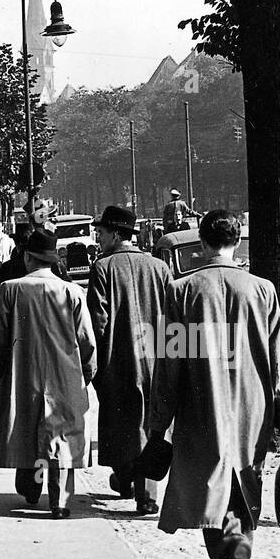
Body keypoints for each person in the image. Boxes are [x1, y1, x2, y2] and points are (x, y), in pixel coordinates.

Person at [145, 209, 280, 559]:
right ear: (238, 240)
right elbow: (277, 359)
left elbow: (170, 361)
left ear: (202, 239)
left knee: (208, 480)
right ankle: (241, 541)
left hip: (200, 399)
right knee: (246, 476)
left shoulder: (182, 290)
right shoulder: (263, 291)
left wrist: (158, 420)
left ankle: (228, 545)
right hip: (253, 402)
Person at [0, 231, 96, 517]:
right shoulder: (73, 292)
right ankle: (60, 501)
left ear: (26, 257)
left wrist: (0, 372)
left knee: (26, 427)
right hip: (66, 374)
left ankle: (32, 487)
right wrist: (85, 373)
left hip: (22, 371)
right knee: (61, 434)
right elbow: (87, 341)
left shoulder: (10, 289)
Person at [87, 205, 172, 516]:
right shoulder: (159, 268)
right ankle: (147, 491)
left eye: (102, 231)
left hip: (119, 360)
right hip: (157, 357)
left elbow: (99, 321)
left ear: (116, 234)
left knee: (124, 423)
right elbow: (171, 318)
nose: (98, 236)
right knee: (153, 423)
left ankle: (127, 480)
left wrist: (95, 361)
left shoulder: (103, 268)